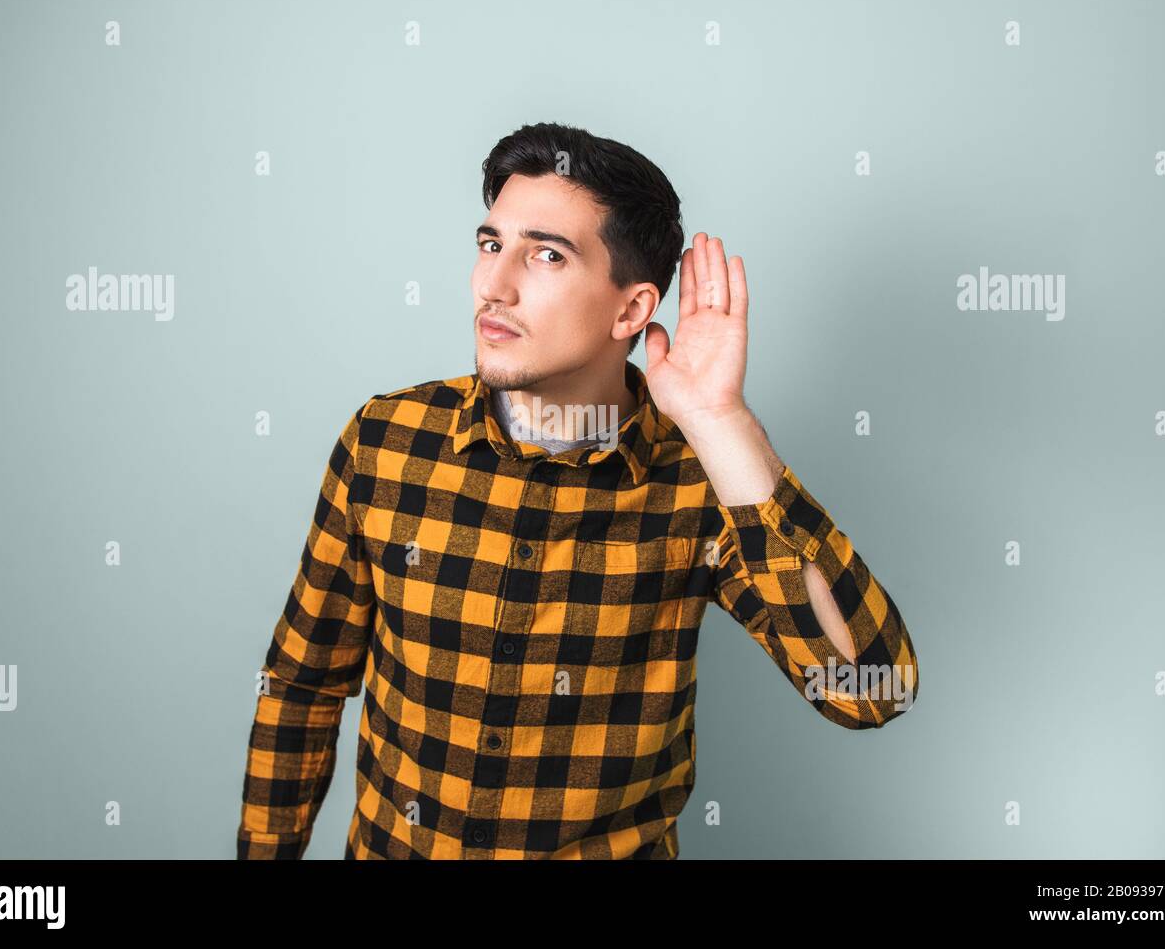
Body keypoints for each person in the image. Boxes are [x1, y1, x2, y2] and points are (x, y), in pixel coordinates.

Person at [237, 122, 919, 860]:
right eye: (491, 244)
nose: (493, 286)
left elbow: (870, 688)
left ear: (631, 311)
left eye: (547, 255)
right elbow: (301, 686)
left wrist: (721, 421)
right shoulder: (387, 440)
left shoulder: (701, 479)